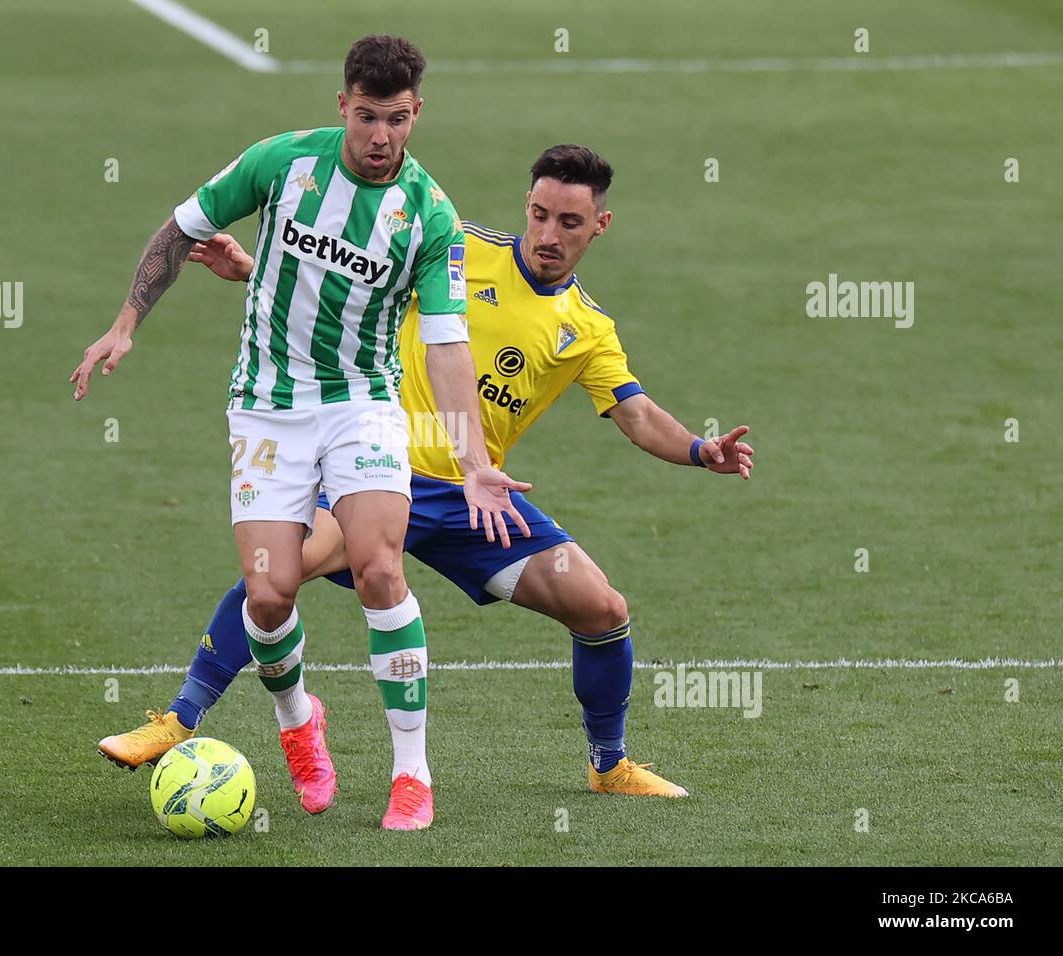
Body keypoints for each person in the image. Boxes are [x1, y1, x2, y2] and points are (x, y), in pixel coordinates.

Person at [101, 144, 756, 801]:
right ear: (526, 206)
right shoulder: (456, 248)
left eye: (570, 223)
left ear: (599, 227)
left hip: (473, 497)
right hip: (377, 465)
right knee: (281, 572)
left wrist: (701, 451)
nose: (549, 235)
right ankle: (179, 721)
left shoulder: (587, 327)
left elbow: (637, 415)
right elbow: (350, 297)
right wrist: (253, 272)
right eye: (540, 214)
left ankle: (609, 765)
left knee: (602, 608)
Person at [74, 35, 530, 832]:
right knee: (269, 590)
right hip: (266, 408)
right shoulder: (282, 163)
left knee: (381, 567)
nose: (380, 136)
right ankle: (298, 724)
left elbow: (448, 345)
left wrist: (472, 459)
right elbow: (181, 228)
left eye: (395, 119)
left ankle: (411, 776)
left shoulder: (430, 216)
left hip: (364, 405)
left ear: (416, 111)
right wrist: (124, 325)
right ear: (341, 106)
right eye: (365, 117)